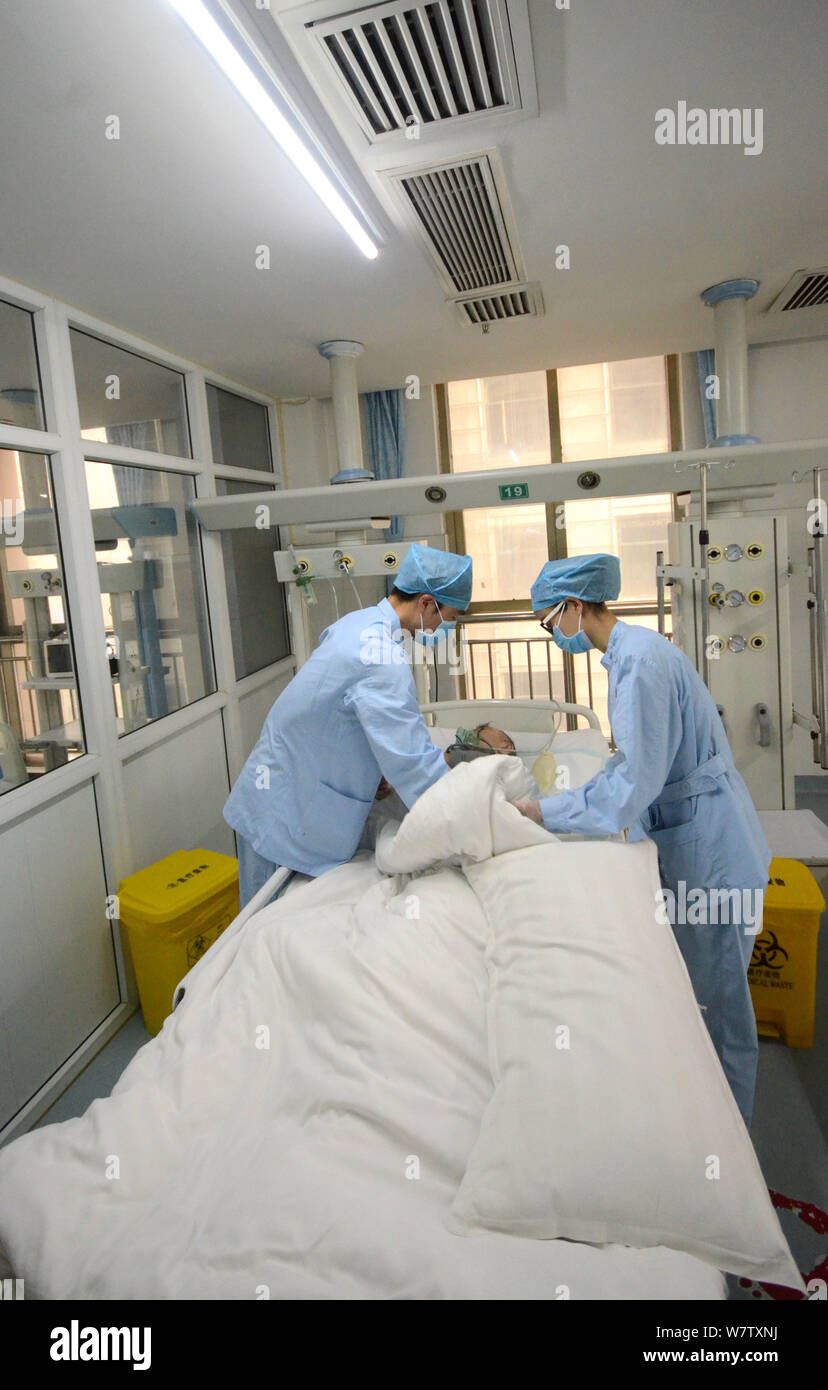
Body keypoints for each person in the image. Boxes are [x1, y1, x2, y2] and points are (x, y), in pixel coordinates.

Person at [513, 552, 771, 1129]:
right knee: (706, 998)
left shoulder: (640, 666)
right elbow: (632, 764)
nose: (554, 635)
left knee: (721, 1013)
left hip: (712, 853)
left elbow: (633, 783)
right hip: (699, 834)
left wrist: (544, 812)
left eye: (550, 623)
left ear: (575, 607)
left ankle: (730, 1162)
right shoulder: (634, 655)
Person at [224, 542, 473, 907]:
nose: (445, 626)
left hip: (281, 789)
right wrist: (467, 816)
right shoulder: (381, 659)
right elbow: (413, 762)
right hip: (286, 813)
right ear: (425, 603)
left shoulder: (357, 624)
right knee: (264, 927)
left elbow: (336, 715)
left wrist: (369, 771)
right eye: (448, 616)